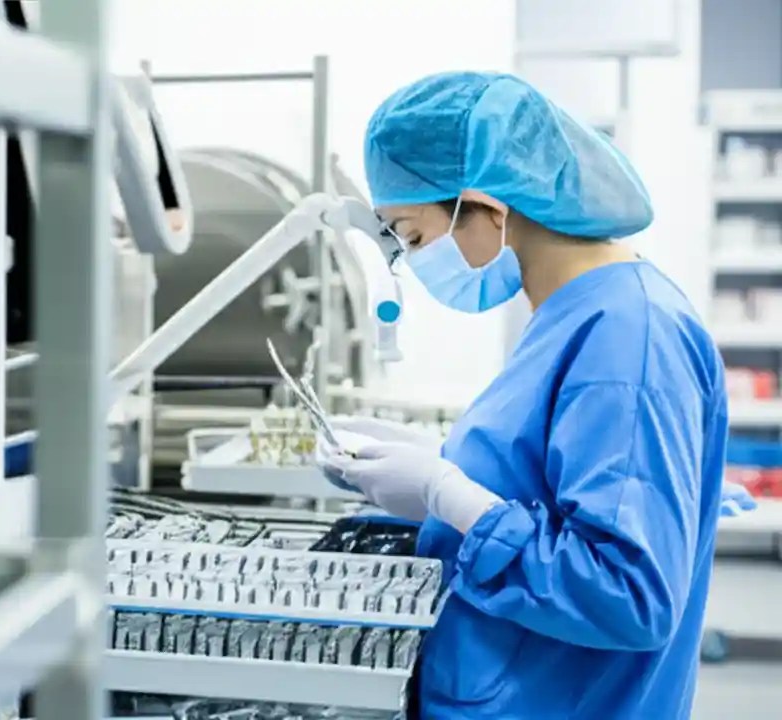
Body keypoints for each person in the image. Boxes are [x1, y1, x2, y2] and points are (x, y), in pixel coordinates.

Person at [316, 71, 742, 718]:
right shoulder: (574, 313)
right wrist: (444, 464)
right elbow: (552, 480)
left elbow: (626, 595)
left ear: (487, 210)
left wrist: (446, 493)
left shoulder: (630, 335)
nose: (411, 259)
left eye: (411, 236)